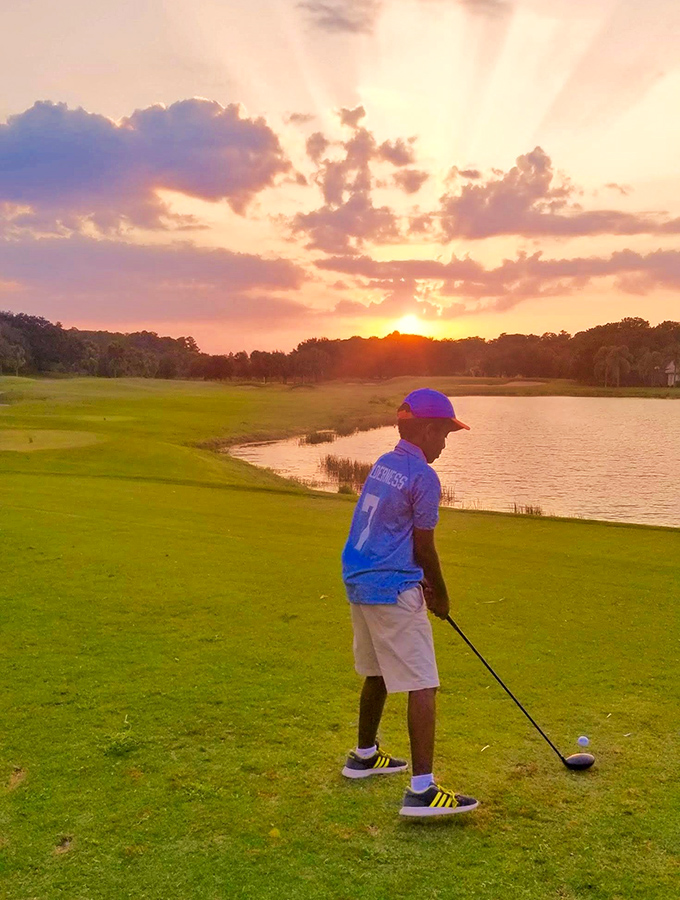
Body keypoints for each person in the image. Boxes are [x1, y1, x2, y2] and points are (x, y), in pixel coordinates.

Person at [340, 388, 479, 817]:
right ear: (427, 429)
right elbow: (424, 547)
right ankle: (422, 790)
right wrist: (441, 594)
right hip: (392, 585)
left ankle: (363, 756)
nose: (444, 444)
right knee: (422, 682)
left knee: (378, 671)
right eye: (444, 436)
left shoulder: (384, 463)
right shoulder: (424, 477)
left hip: (358, 578)